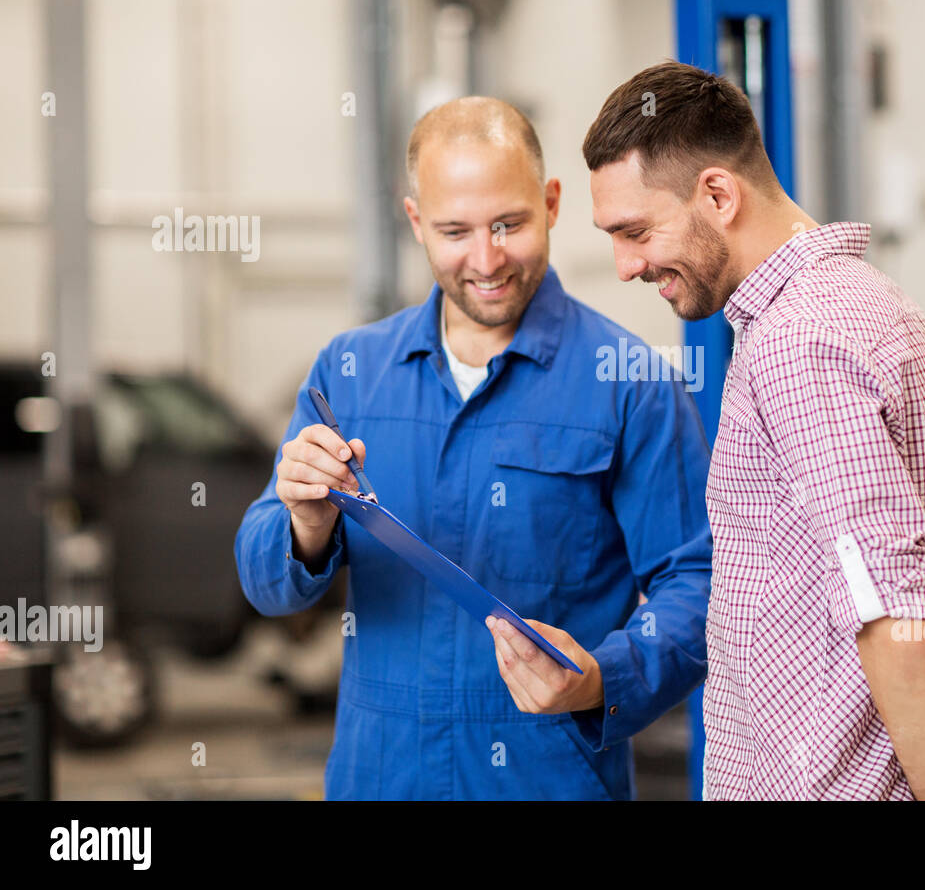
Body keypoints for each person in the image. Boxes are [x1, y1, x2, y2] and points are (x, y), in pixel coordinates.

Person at [235, 96, 712, 800]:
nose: (486, 259)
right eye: (455, 230)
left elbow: (698, 583)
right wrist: (304, 527)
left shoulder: (628, 383)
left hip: (547, 779)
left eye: (508, 224)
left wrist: (605, 676)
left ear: (551, 204)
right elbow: (262, 578)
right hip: (380, 777)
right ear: (415, 222)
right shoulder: (350, 372)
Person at [583, 61, 925, 800]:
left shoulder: (799, 342)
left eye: (637, 232)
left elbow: (894, 611)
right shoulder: (877, 305)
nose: (626, 266)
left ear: (718, 194)